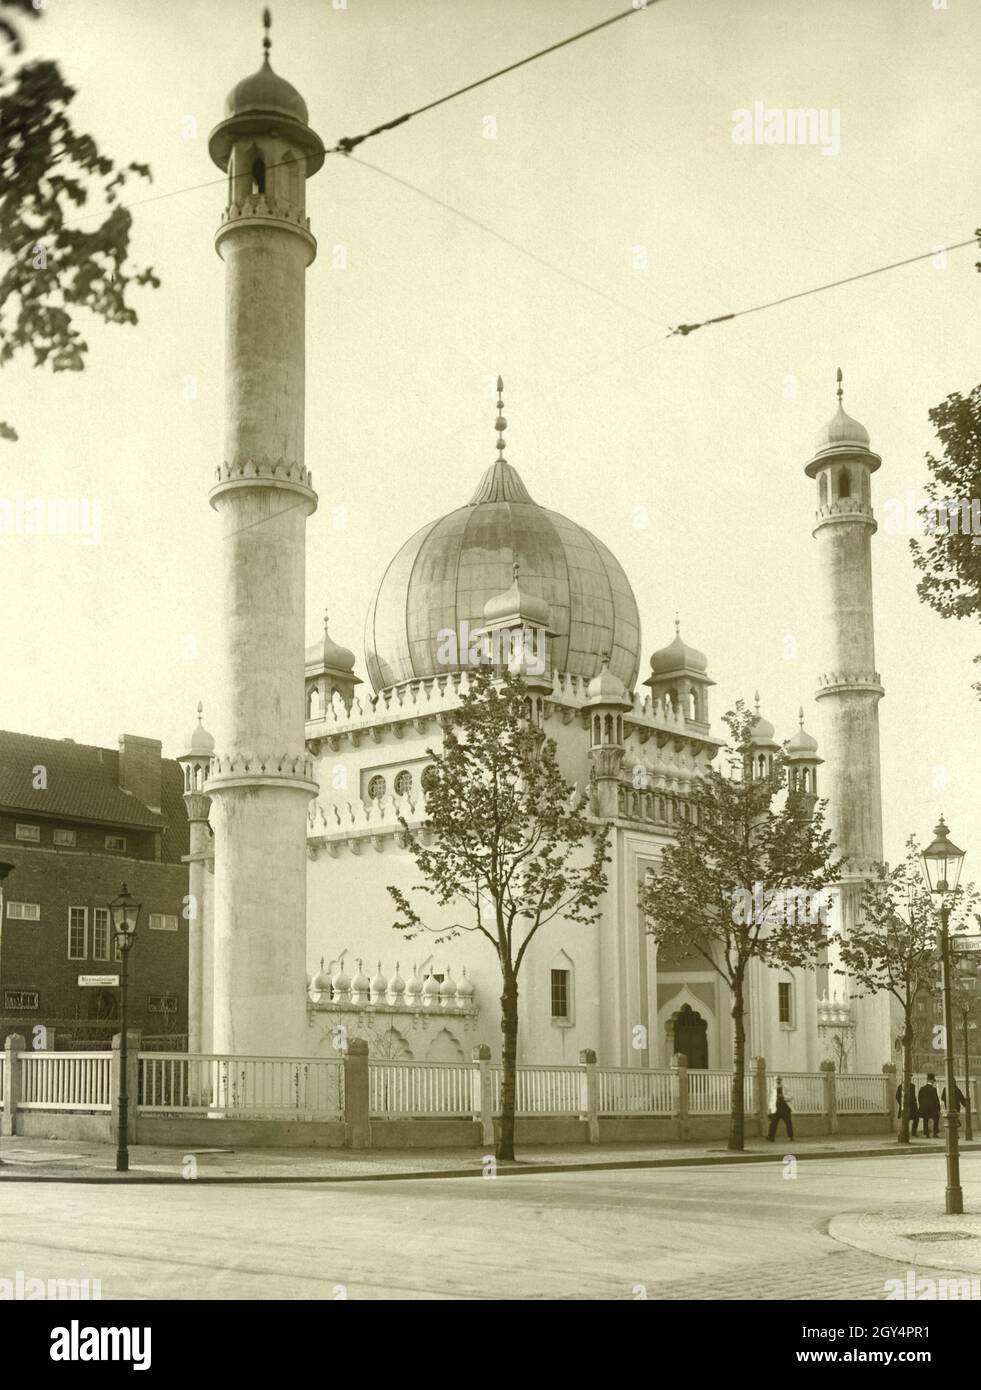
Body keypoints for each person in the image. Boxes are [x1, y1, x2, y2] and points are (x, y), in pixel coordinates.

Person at [767, 1075, 794, 1141]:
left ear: (781, 1080)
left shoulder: (785, 1087)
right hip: (776, 1108)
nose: (778, 1081)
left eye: (779, 1079)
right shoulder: (773, 1088)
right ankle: (771, 1137)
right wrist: (770, 1108)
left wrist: (784, 1097)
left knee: (788, 1123)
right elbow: (772, 1099)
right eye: (777, 1079)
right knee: (773, 1123)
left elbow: (791, 1096)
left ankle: (791, 1137)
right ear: (775, 1080)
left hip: (784, 1108)